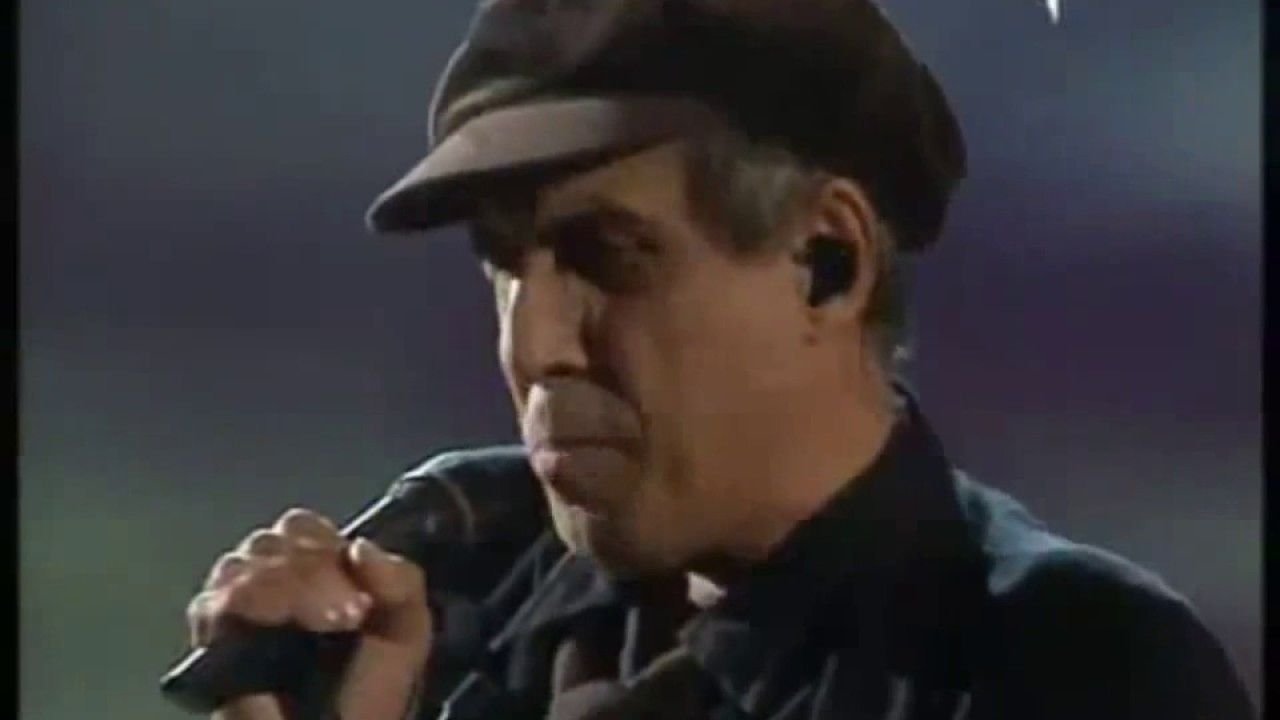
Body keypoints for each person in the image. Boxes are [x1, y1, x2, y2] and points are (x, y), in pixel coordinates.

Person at [182, 1, 1257, 718]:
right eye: (504, 266)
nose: (533, 345)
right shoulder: (448, 606)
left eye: (608, 256)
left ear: (826, 261)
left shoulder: (1066, 670)